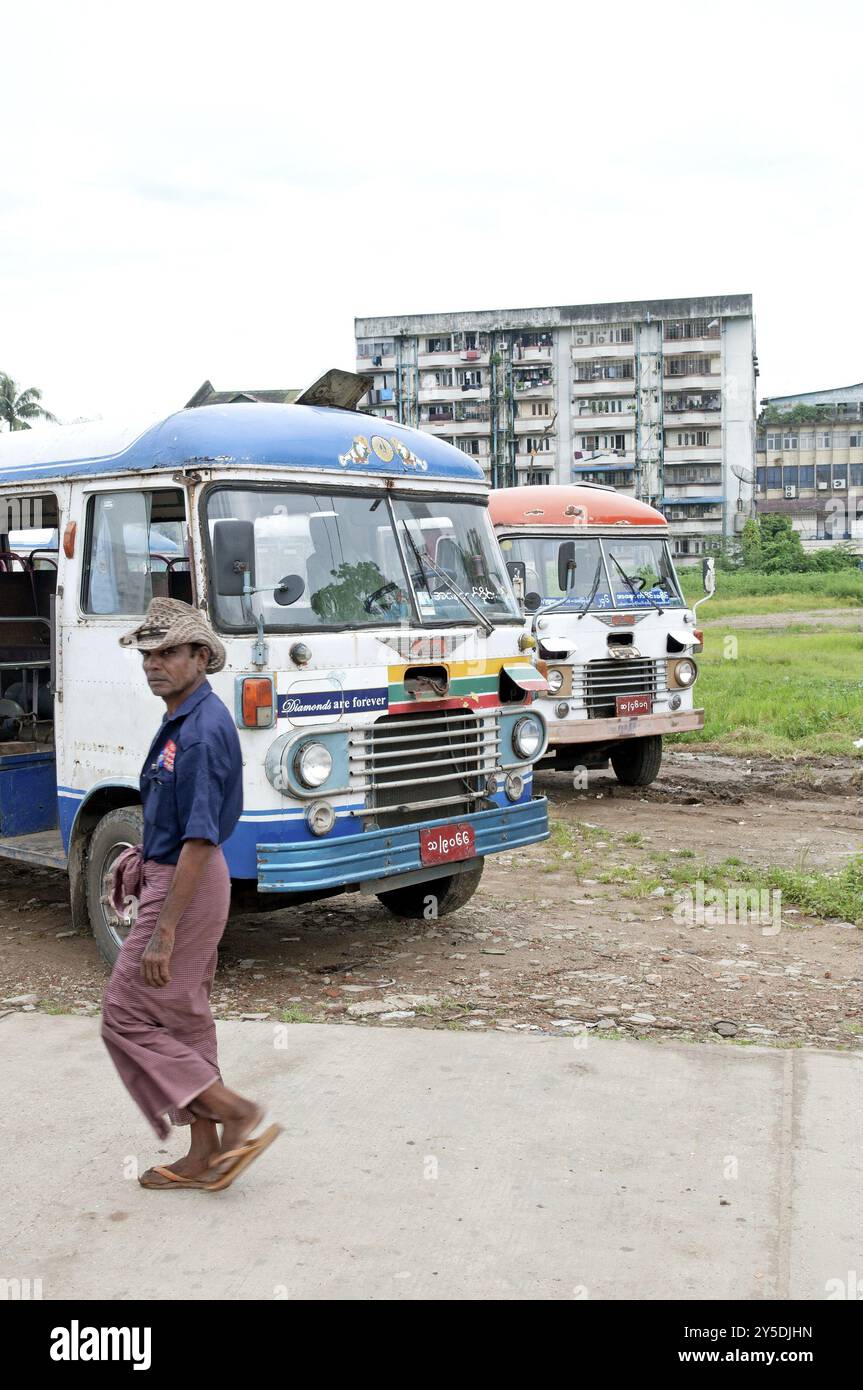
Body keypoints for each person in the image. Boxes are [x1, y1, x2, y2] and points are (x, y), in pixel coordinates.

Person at [101, 597, 281, 1191]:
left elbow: (201, 838)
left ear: (201, 657)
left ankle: (234, 1112)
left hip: (187, 884)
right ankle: (204, 1152)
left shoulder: (200, 732)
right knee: (181, 1016)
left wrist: (165, 928)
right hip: (180, 877)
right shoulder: (182, 717)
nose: (155, 664)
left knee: (124, 1014)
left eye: (169, 652)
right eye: (148, 654)